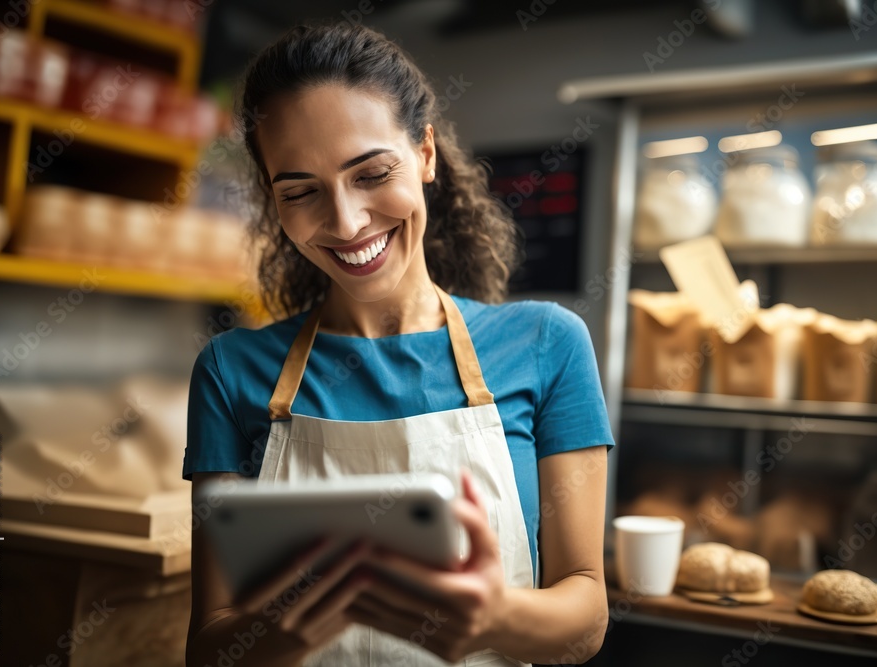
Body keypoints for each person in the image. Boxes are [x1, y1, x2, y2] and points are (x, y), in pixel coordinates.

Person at [183, 22, 614, 667]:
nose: (346, 221)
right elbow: (207, 647)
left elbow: (584, 620)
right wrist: (285, 632)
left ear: (426, 154)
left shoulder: (548, 345)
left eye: (372, 172)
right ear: (275, 203)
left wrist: (498, 618)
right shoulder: (229, 371)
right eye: (300, 191)